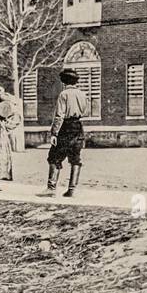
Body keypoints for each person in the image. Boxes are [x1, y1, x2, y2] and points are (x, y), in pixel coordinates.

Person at [40, 68, 91, 197]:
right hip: (78, 127)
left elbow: (59, 115)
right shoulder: (83, 94)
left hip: (65, 127)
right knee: (75, 158)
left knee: (54, 156)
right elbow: (86, 112)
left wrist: (54, 133)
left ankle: (51, 189)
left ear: (63, 82)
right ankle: (72, 190)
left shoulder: (64, 94)